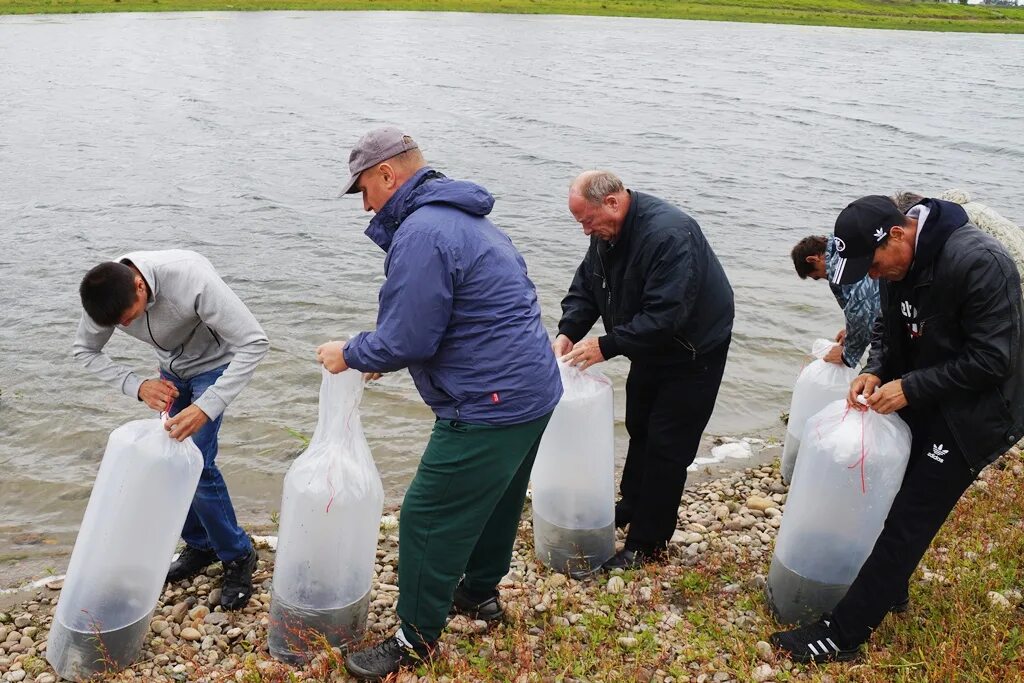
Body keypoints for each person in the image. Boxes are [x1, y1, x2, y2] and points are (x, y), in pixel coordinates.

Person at [317, 127, 562, 681]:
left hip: (488, 402)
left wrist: (349, 353)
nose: (365, 204)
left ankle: (414, 638)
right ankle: (478, 594)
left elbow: (408, 338)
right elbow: (454, 315)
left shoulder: (422, 233)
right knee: (496, 500)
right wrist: (383, 353)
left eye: (363, 189)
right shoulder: (465, 219)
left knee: (427, 516)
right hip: (533, 389)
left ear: (387, 174)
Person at [770, 195, 1024, 662]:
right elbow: (887, 329)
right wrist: (876, 371)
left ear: (899, 233)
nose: (872, 275)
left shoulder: (980, 262)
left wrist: (909, 387)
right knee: (887, 495)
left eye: (873, 264)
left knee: (909, 517)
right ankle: (890, 588)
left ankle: (843, 636)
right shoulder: (892, 268)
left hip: (976, 413)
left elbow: (995, 359)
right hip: (926, 393)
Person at [554, 170, 734, 571]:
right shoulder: (607, 235)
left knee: (668, 445)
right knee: (640, 426)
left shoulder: (670, 235)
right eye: (580, 222)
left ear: (612, 202)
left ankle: (648, 543)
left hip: (692, 351)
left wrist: (606, 345)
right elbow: (588, 287)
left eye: (587, 220)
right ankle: (632, 504)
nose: (586, 231)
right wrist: (568, 331)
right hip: (649, 347)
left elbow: (666, 315)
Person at [74, 250, 269, 610]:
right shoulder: (106, 296)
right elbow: (85, 350)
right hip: (171, 373)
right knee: (169, 463)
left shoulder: (192, 279)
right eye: (118, 324)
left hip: (216, 367)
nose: (123, 326)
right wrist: (137, 385)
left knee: (198, 464)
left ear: (140, 286)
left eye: (127, 318)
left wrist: (206, 406)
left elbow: (255, 342)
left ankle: (239, 555)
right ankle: (200, 545)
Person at [791, 234, 881, 368]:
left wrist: (847, 355)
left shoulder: (839, 267)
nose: (825, 278)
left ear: (813, 259)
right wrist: (851, 332)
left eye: (817, 276)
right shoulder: (845, 247)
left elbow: (863, 310)